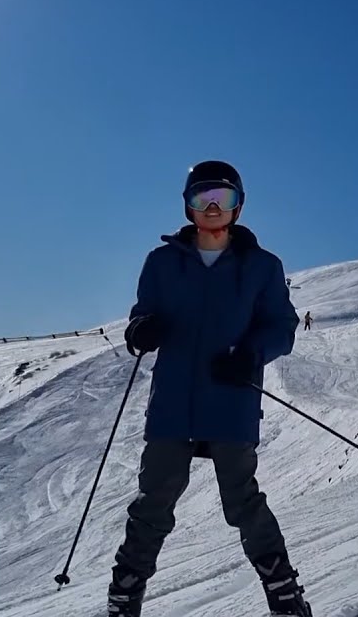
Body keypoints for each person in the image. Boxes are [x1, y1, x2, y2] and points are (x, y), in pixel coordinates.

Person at [110, 160, 312, 617]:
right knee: (154, 499)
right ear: (188, 206)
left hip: (231, 397)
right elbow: (140, 316)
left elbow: (282, 326)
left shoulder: (262, 266)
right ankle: (124, 597)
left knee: (242, 500)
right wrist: (142, 330)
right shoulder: (160, 263)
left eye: (225, 198)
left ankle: (284, 596)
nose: (215, 208)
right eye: (204, 198)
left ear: (239, 207)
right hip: (173, 402)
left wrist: (250, 353)